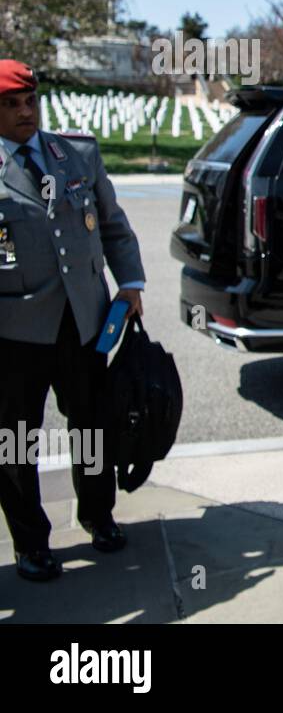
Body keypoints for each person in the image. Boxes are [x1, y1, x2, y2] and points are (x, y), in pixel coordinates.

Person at [0, 59, 144, 581]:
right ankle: (31, 542)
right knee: (17, 438)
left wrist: (130, 284)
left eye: (29, 101)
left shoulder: (75, 153)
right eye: (10, 105)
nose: (24, 112)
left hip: (83, 320)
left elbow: (112, 225)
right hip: (16, 330)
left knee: (91, 425)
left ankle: (97, 515)